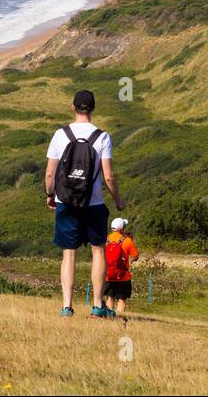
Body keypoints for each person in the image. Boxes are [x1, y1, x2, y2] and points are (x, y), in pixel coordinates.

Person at [46, 89, 124, 320]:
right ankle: (98, 306)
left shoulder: (60, 135)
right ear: (93, 108)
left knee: (68, 254)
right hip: (94, 204)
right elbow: (108, 176)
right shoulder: (102, 137)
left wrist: (50, 195)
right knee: (97, 251)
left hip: (66, 202)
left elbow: (50, 173)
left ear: (73, 107)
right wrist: (118, 200)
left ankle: (67, 307)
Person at [103, 217, 140, 318]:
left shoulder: (106, 239)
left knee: (110, 297)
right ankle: (119, 317)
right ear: (121, 228)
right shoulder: (127, 241)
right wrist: (131, 241)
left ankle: (108, 316)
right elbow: (135, 256)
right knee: (122, 299)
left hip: (109, 274)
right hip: (123, 276)